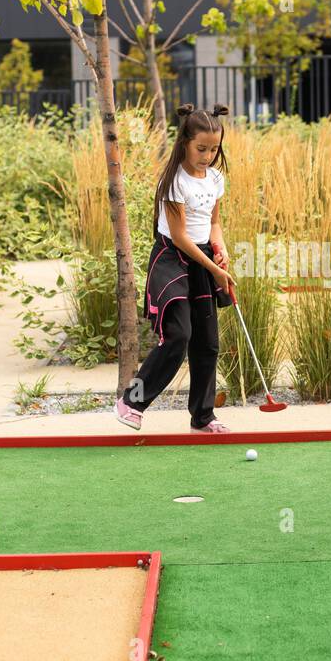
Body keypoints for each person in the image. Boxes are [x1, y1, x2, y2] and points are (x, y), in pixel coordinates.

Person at [115, 103, 237, 433]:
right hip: (173, 260)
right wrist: (214, 268)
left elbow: (214, 222)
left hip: (203, 260)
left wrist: (220, 245)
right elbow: (180, 236)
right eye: (201, 148)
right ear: (184, 141)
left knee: (207, 343)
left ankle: (203, 417)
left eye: (214, 149)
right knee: (178, 335)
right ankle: (131, 400)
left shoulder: (214, 178)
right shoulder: (173, 181)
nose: (208, 155)